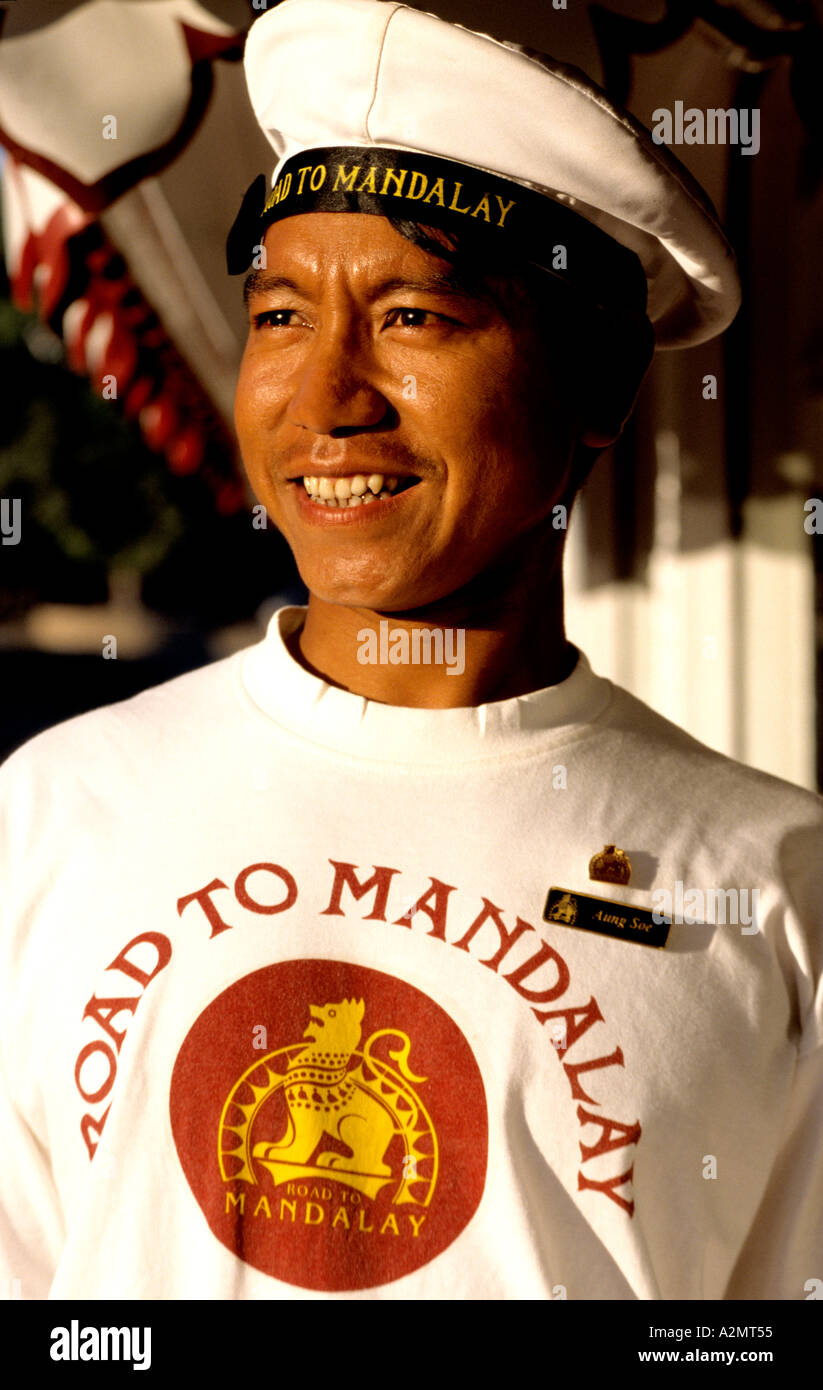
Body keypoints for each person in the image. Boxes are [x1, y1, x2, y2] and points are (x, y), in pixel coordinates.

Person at [1, 0, 821, 1302]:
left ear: (601, 381)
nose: (325, 398)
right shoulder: (46, 814)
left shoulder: (774, 891)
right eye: (279, 315)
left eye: (413, 318)